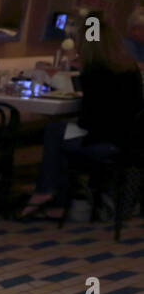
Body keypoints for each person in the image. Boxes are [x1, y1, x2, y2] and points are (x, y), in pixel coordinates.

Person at [22, 13, 144, 220]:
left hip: (107, 142)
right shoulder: (130, 68)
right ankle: (54, 198)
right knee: (59, 134)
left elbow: (90, 121)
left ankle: (47, 193)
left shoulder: (94, 72)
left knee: (55, 133)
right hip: (130, 142)